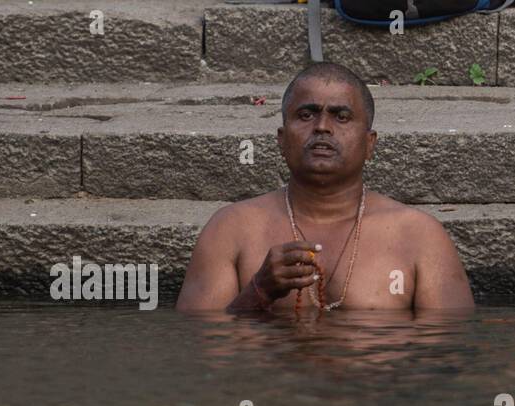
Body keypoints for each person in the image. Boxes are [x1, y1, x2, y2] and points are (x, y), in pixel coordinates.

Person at [176, 62, 475, 317]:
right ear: (281, 140)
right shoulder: (230, 229)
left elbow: (446, 354)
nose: (322, 127)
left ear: (370, 144)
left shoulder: (420, 236)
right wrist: (258, 292)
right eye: (306, 115)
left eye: (341, 116)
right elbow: (200, 349)